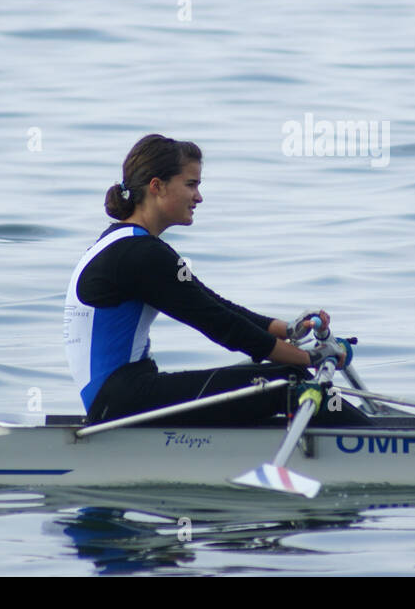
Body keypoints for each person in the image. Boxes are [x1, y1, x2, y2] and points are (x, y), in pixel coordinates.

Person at [64, 133, 368, 426]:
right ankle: (376, 444)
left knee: (285, 372)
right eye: (191, 184)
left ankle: (366, 437)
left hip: (124, 394)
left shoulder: (126, 243)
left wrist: (287, 329)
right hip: (120, 401)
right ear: (157, 186)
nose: (199, 197)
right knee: (287, 380)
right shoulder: (139, 254)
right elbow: (220, 325)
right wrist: (309, 357)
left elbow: (214, 305)